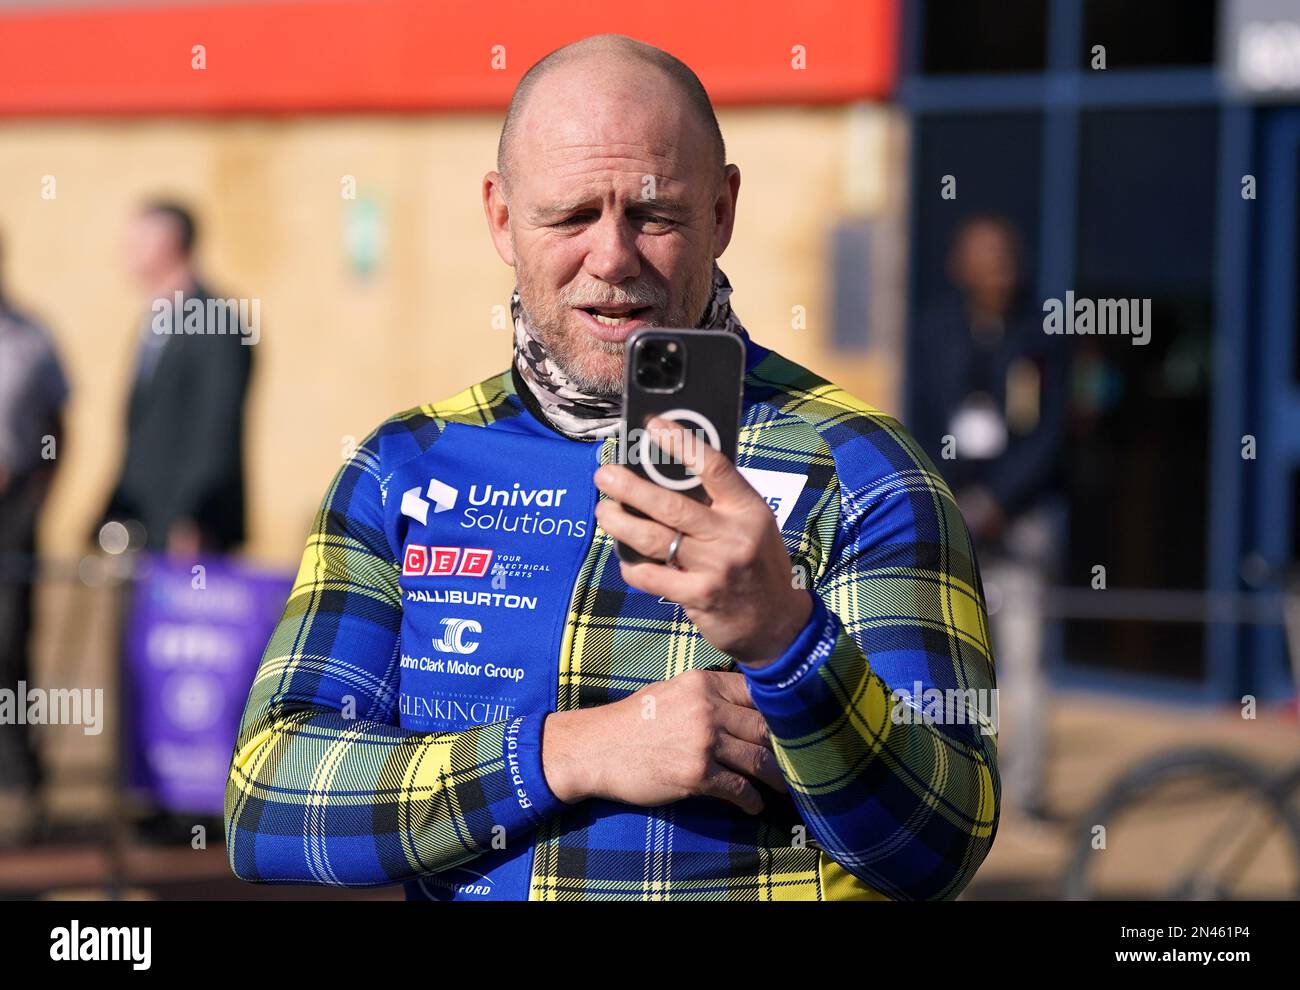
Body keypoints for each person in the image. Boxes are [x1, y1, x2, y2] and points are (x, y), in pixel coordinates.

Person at [225, 35, 1000, 901]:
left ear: (723, 209)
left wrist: (788, 642)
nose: (612, 257)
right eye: (569, 216)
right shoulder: (404, 465)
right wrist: (575, 752)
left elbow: (942, 844)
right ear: (500, 217)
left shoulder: (860, 469)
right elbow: (266, 804)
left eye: (655, 214)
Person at [911, 214, 1069, 820]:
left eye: (1006, 256)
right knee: (952, 657)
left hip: (1020, 518)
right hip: (952, 515)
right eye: (984, 258)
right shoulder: (936, 332)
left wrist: (1001, 501)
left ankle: (1025, 792)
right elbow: (920, 422)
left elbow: (1050, 432)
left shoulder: (1040, 334)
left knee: (1026, 659)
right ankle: (957, 788)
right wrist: (951, 500)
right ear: (961, 266)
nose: (998, 270)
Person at [100, 201, 253, 556]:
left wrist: (193, 516)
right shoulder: (157, 320)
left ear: (170, 244)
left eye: (139, 240)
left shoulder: (215, 320)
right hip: (143, 522)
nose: (126, 251)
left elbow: (217, 427)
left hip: (188, 531)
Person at [0, 232, 69, 844]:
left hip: (10, 514)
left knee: (8, 645)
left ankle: (20, 786)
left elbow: (57, 425)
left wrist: (35, 498)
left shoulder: (29, 338)